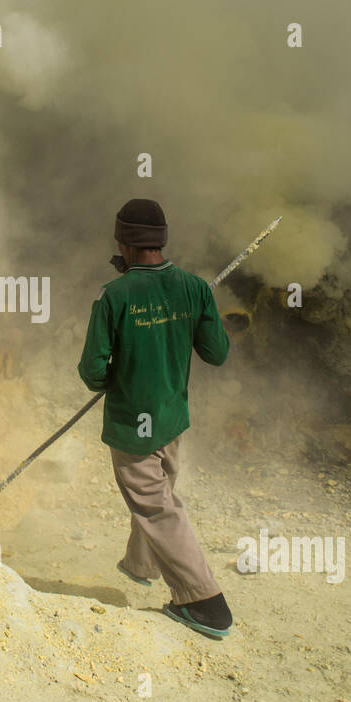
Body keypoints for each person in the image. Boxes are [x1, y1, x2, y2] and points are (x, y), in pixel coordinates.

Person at [77, 198, 234, 638]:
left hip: (133, 426)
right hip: (170, 419)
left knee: (157, 507)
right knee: (157, 497)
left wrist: (116, 374)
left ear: (124, 244)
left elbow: (91, 371)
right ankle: (141, 563)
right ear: (160, 241)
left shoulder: (115, 296)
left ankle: (205, 603)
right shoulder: (195, 287)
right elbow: (216, 353)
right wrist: (203, 308)